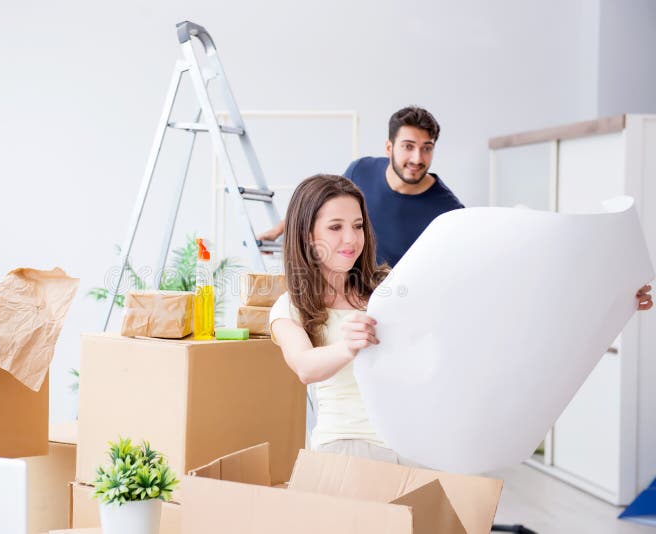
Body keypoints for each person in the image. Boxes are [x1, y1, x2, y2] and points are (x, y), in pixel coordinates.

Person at [270, 174, 653, 464]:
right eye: (335, 228)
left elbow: (492, 310)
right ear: (307, 235)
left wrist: (612, 297)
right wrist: (345, 346)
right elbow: (304, 367)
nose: (350, 239)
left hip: (421, 444)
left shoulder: (389, 289)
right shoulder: (291, 307)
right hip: (348, 450)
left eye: (356, 225)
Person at [259, 106, 463, 267]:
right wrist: (277, 232)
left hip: (399, 304)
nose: (417, 158)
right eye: (408, 146)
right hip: (349, 291)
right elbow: (318, 207)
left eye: (426, 148)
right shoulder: (361, 171)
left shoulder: (449, 211)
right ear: (389, 148)